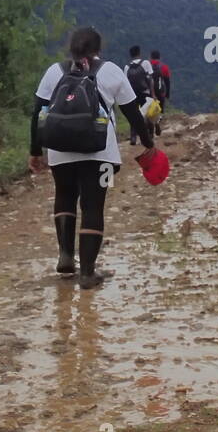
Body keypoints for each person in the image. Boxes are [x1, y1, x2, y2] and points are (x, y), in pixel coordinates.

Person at [30, 27, 155, 288]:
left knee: (64, 195)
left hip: (59, 150)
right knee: (92, 206)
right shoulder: (111, 71)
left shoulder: (54, 71)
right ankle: (87, 273)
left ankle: (66, 255)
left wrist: (35, 150)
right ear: (99, 48)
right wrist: (147, 143)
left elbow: (38, 112)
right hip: (101, 153)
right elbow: (132, 114)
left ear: (71, 46)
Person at [124, 45, 155, 145]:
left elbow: (126, 83)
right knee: (148, 113)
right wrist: (153, 94)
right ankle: (150, 135)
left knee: (134, 115)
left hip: (132, 95)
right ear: (139, 53)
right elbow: (150, 79)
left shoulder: (127, 67)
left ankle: (133, 137)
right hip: (145, 93)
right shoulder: (145, 63)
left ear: (130, 55)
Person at [149, 50, 171, 136]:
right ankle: (157, 122)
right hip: (160, 92)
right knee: (160, 110)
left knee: (149, 110)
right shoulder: (164, 67)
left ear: (150, 57)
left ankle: (151, 127)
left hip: (150, 92)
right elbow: (167, 81)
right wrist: (167, 93)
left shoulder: (147, 66)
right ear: (159, 57)